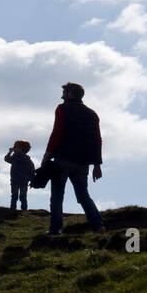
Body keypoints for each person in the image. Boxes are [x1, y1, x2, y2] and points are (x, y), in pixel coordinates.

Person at [40, 82, 105, 236]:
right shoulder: (92, 114)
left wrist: (47, 155)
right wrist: (97, 164)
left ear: (70, 94)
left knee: (57, 196)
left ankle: (55, 229)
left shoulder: (62, 108)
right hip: (83, 162)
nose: (62, 94)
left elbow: (56, 132)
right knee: (83, 196)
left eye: (64, 91)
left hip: (63, 159)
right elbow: (97, 140)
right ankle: (98, 226)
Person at [4, 141, 35, 211]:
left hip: (15, 180)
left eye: (15, 147)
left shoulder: (15, 157)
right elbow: (32, 171)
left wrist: (10, 152)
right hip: (24, 181)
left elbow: (6, 159)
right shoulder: (28, 160)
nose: (14, 148)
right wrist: (30, 178)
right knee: (23, 196)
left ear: (20, 149)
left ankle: (13, 209)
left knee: (14, 196)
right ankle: (24, 210)